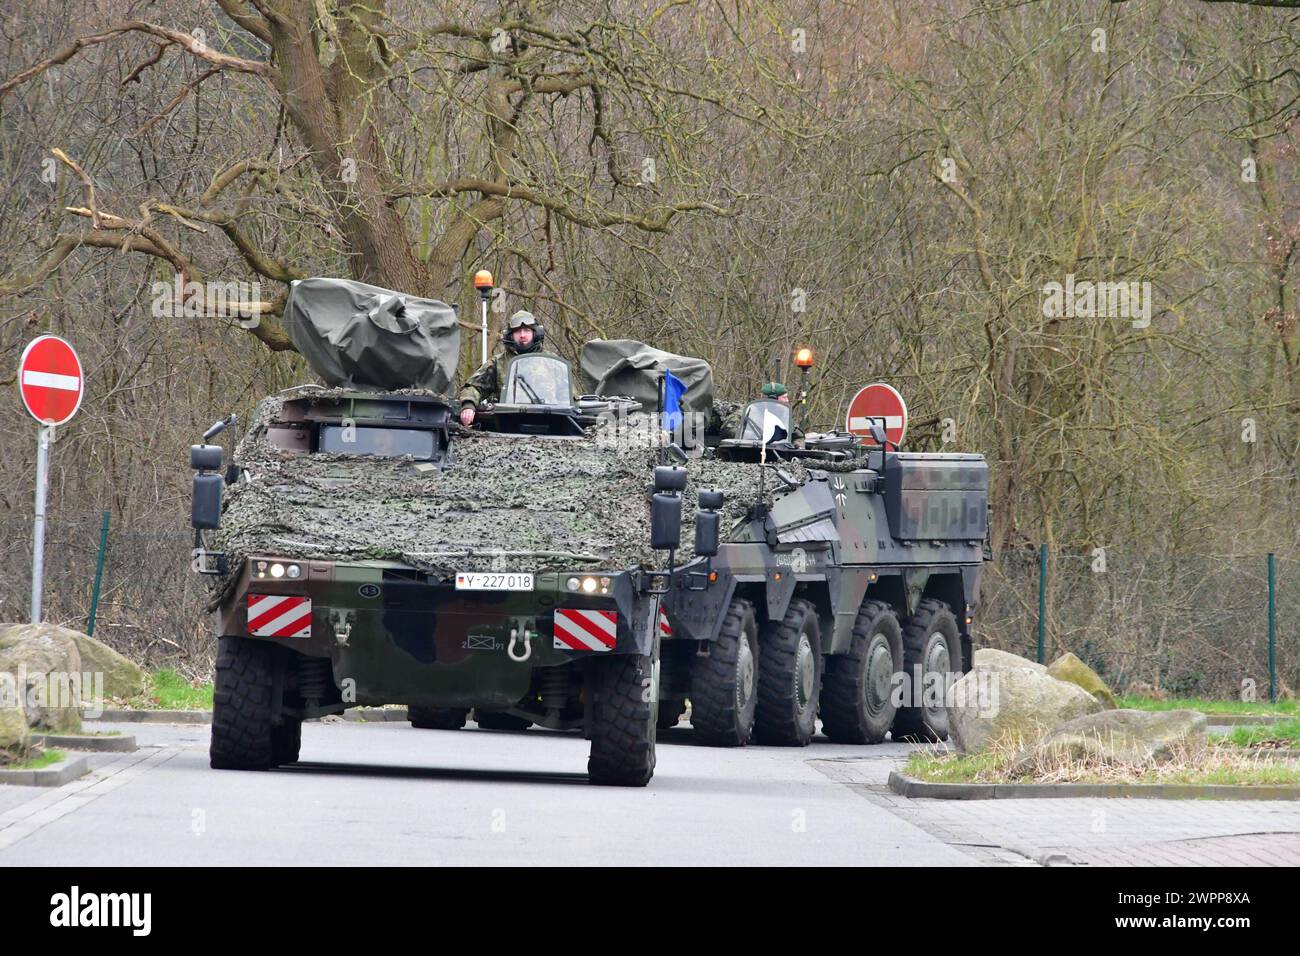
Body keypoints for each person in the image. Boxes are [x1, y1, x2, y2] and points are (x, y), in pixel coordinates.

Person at [458, 310, 548, 425]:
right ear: (509, 335)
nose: (522, 335)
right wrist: (468, 405)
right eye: (517, 331)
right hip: (507, 424)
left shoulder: (551, 363)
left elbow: (570, 396)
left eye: (527, 330)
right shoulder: (498, 363)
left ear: (536, 333)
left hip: (548, 422)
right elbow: (473, 387)